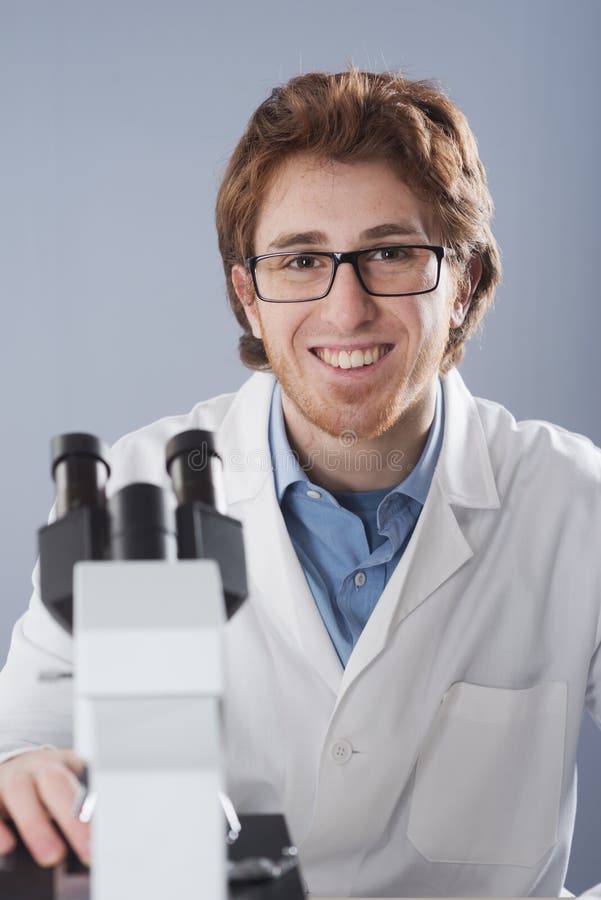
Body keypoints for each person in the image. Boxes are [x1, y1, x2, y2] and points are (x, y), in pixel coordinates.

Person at [0, 68, 600, 898]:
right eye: (300, 260)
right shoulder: (136, 487)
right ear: (248, 295)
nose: (345, 309)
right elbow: (25, 743)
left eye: (390, 253)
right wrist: (24, 780)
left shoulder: (574, 504)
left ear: (463, 283)